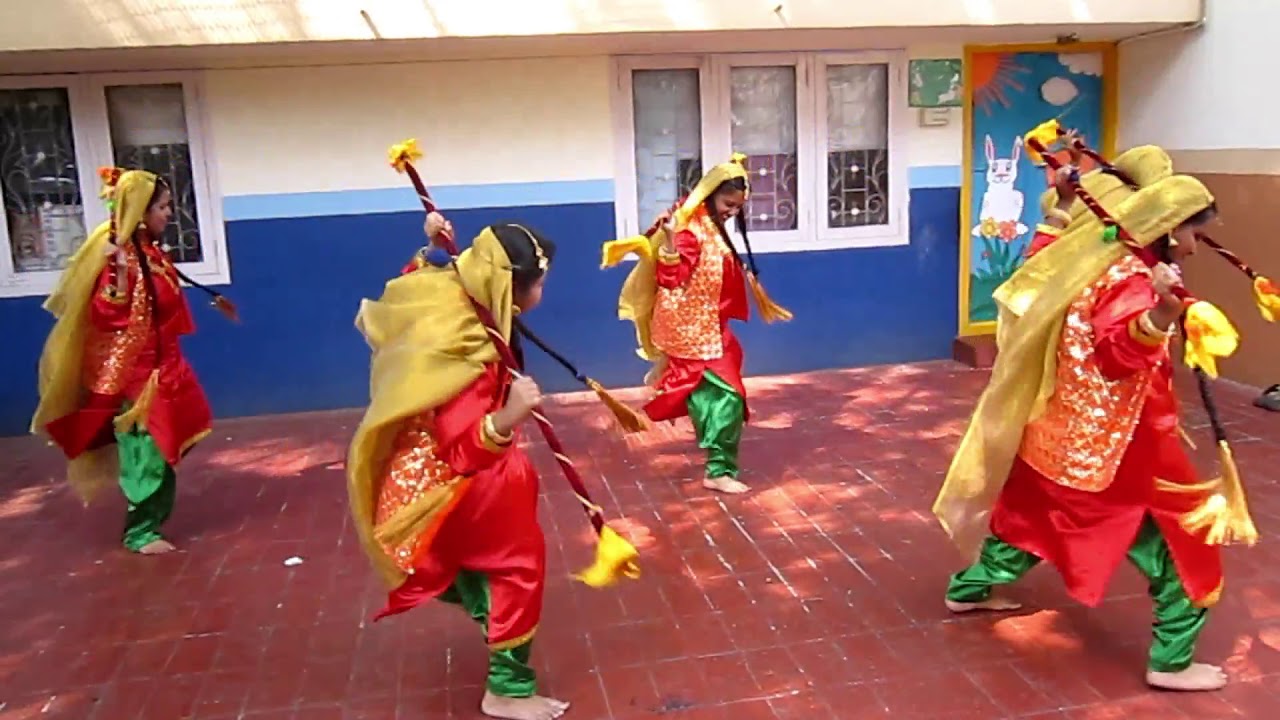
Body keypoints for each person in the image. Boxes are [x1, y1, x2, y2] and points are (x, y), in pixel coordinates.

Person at [934, 154, 1241, 692]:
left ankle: (972, 588)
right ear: (1168, 229)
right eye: (1192, 234)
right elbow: (1117, 352)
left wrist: (1062, 205)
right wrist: (1162, 317)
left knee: (1029, 520)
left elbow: (1036, 272)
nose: (1193, 247)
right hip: (1119, 449)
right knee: (1183, 549)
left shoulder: (1090, 258)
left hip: (1054, 432)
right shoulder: (1129, 279)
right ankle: (1171, 661)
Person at [346, 216, 569, 720]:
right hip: (463, 481)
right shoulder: (473, 348)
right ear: (512, 287)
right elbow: (464, 449)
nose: (543, 291)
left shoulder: (454, 300)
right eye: (540, 283)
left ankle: (491, 622)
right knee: (518, 569)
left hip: (429, 473)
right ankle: (507, 691)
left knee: (489, 567)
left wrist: (428, 249)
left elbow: (412, 285)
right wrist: (510, 414)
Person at [31, 168, 212, 555]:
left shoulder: (149, 252)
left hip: (164, 365)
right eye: (162, 207)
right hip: (137, 375)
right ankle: (141, 532)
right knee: (145, 452)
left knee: (165, 446)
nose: (169, 214)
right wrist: (119, 275)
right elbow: (107, 315)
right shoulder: (120, 258)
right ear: (141, 212)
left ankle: (151, 523)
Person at [603, 156, 780, 495]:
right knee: (729, 397)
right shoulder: (690, 231)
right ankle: (716, 468)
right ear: (711, 195)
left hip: (709, 329)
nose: (732, 212)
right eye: (728, 204)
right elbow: (671, 279)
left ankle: (709, 446)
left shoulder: (708, 226)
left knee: (714, 392)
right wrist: (670, 242)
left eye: (737, 207)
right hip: (692, 333)